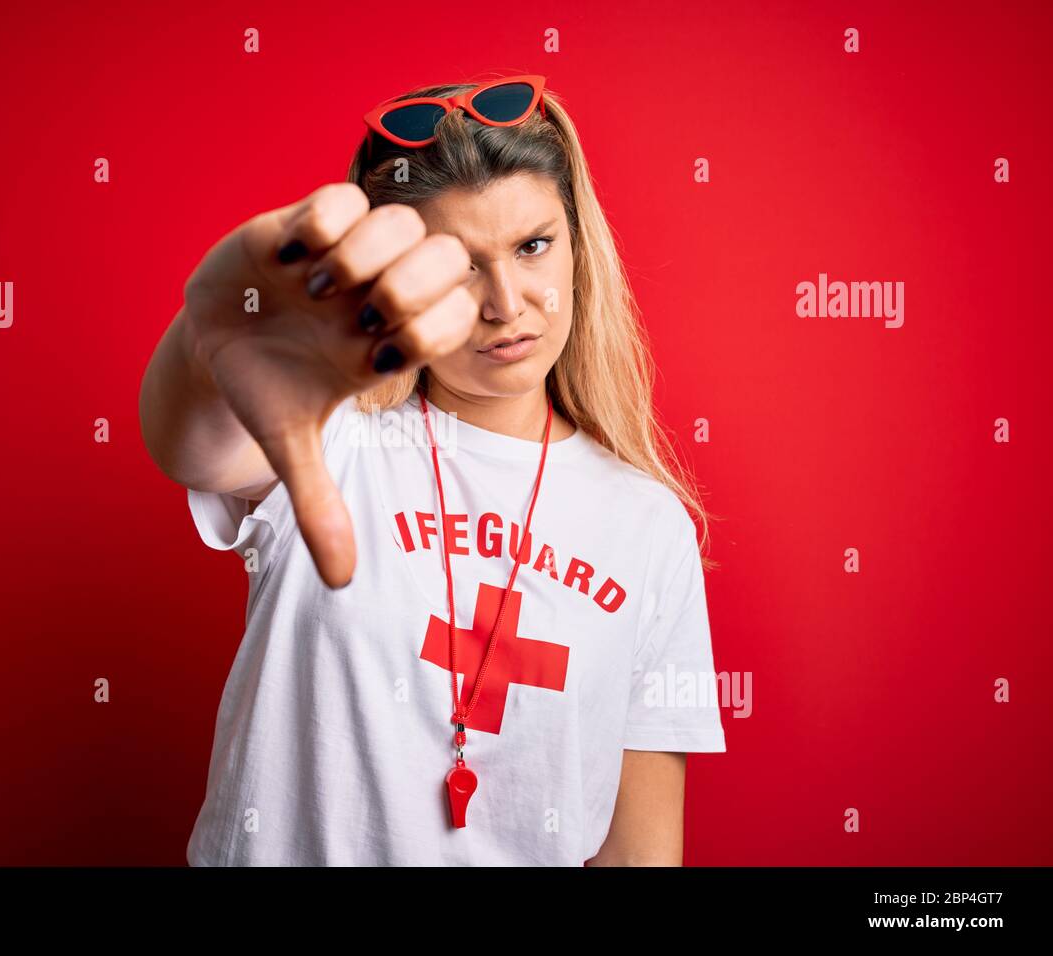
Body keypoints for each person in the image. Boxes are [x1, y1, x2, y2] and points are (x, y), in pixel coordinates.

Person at [138, 73, 727, 866]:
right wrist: (213, 342)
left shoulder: (648, 527)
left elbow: (638, 856)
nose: (506, 302)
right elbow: (193, 441)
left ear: (579, 246)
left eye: (532, 246)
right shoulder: (332, 438)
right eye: (458, 267)